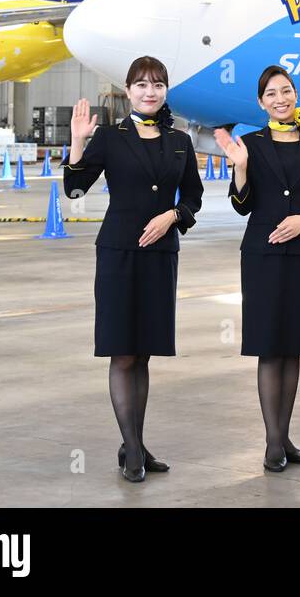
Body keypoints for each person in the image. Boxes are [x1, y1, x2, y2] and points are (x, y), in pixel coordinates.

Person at [63, 56, 204, 483]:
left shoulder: (179, 140)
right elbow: (74, 188)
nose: (150, 91)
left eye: (157, 84)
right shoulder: (110, 136)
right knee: (123, 352)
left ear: (165, 91)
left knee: (143, 352)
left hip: (161, 255)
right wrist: (77, 143)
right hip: (120, 253)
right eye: (141, 84)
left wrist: (172, 216)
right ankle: (133, 455)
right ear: (128, 91)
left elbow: (194, 199)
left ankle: (135, 444)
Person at [214, 65, 300, 472]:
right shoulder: (249, 144)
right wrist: (238, 168)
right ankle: (273, 443)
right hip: (262, 257)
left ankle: (283, 436)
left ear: (296, 94)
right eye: (271, 94)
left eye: (286, 91)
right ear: (260, 102)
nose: (280, 99)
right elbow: (242, 206)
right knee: (269, 348)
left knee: (294, 349)